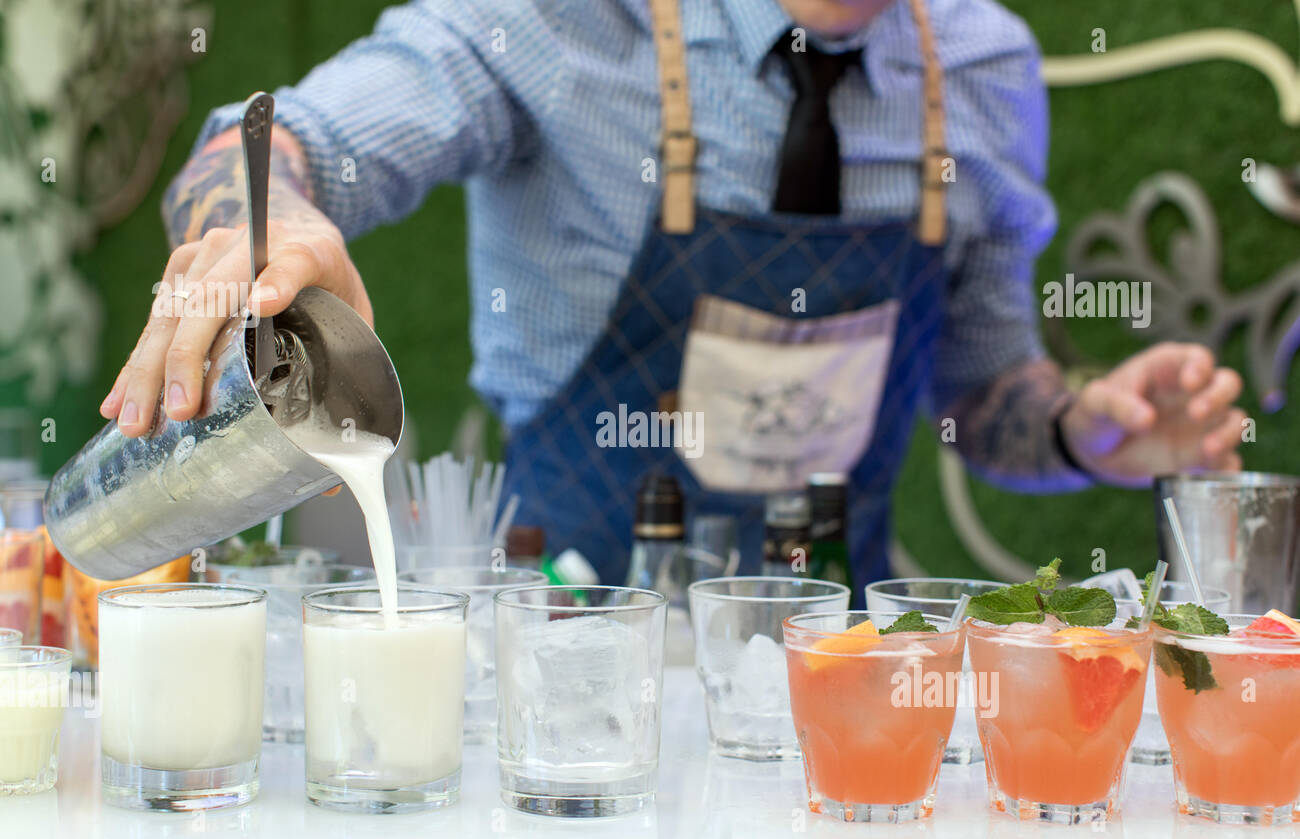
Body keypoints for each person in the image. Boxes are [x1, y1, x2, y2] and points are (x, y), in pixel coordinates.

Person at [99, 0, 1246, 585]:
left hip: (835, 667)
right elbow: (275, 141)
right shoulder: (557, 27)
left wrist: (1087, 429)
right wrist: (266, 218)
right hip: (563, 651)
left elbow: (987, 397)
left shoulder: (983, 62)